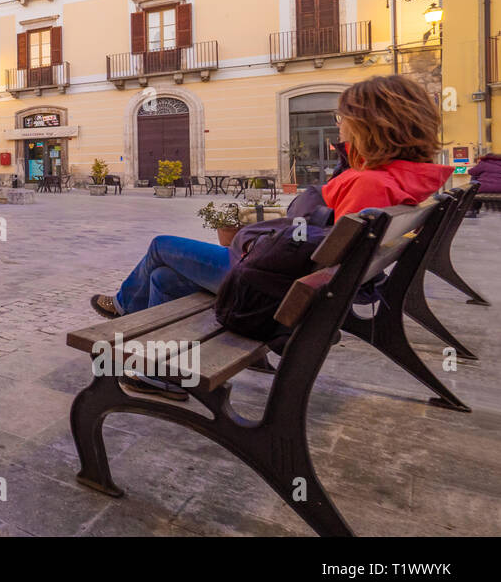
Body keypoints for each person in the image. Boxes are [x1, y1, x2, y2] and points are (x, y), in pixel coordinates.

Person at [88, 75, 451, 381]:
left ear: (370, 125)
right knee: (164, 280)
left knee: (161, 245)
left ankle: (124, 313)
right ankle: (160, 373)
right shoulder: (403, 178)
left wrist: (261, 240)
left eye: (342, 117)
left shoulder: (369, 183)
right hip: (288, 281)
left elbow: (319, 253)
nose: (339, 123)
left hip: (272, 288)